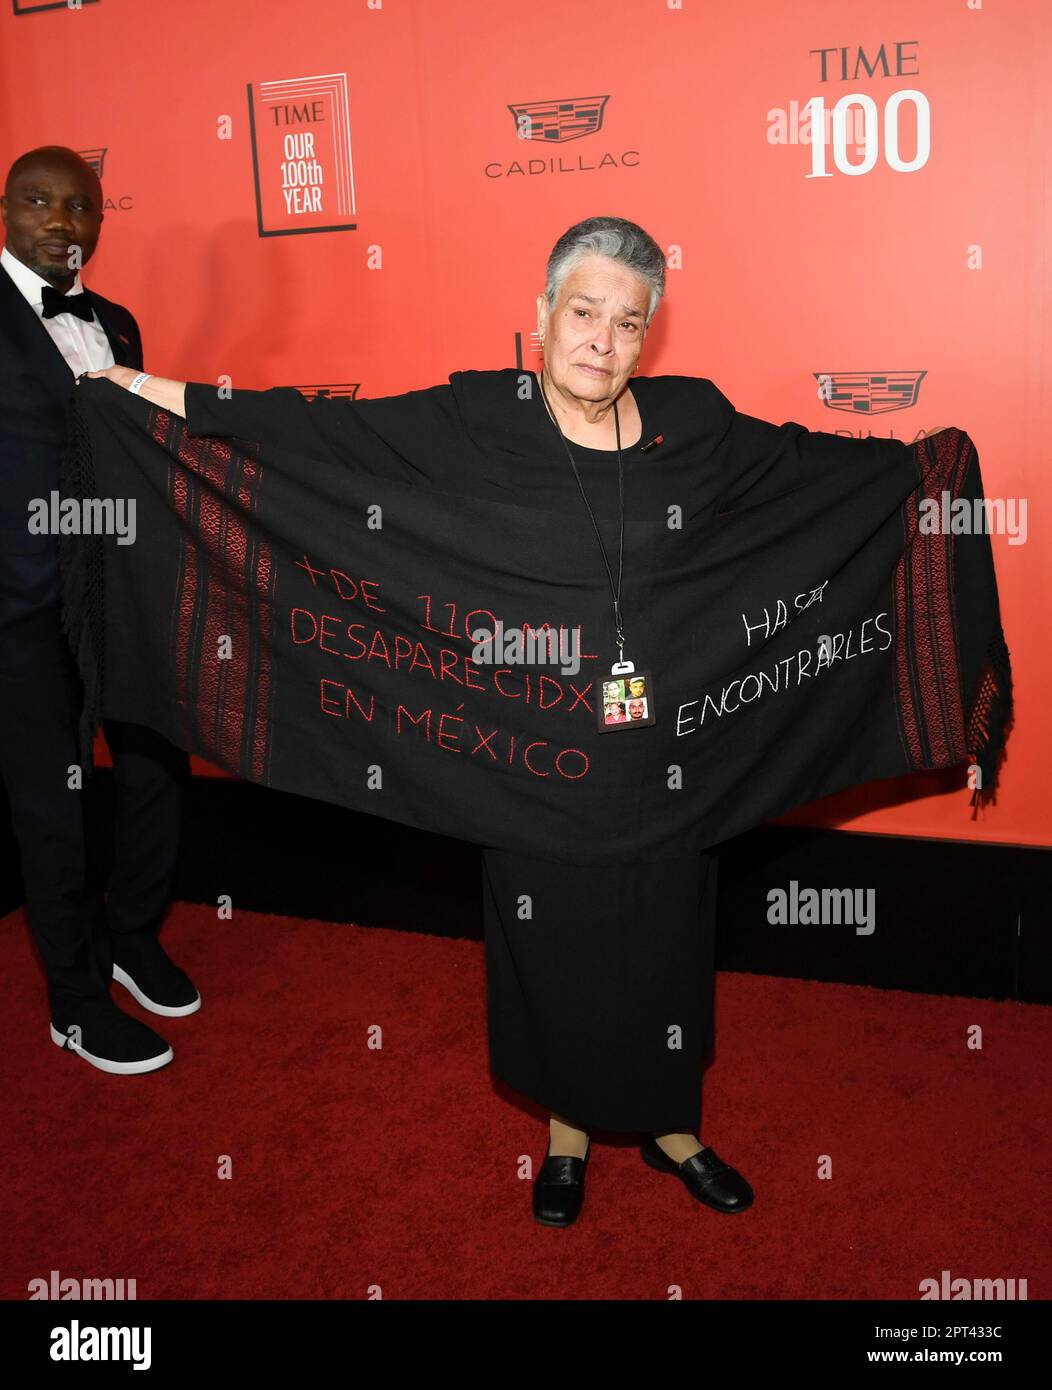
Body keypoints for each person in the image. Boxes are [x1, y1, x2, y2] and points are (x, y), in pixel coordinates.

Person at [89, 214, 950, 1220]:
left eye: (626, 323)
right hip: (526, 751)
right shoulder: (479, 417)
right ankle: (566, 1137)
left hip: (670, 761)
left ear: (649, 334)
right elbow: (321, 432)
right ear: (540, 314)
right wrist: (155, 395)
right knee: (552, 947)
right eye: (581, 312)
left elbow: (806, 473)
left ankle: (674, 1129)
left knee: (665, 942)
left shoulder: (696, 422)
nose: (600, 340)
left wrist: (919, 467)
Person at [0, 146, 194, 1075]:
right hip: (23, 609)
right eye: (39, 202)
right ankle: (73, 1002)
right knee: (56, 805)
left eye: (81, 209)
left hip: (119, 593)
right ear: (6, 209)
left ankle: (127, 933)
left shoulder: (116, 322)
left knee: (157, 766)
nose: (62, 224)